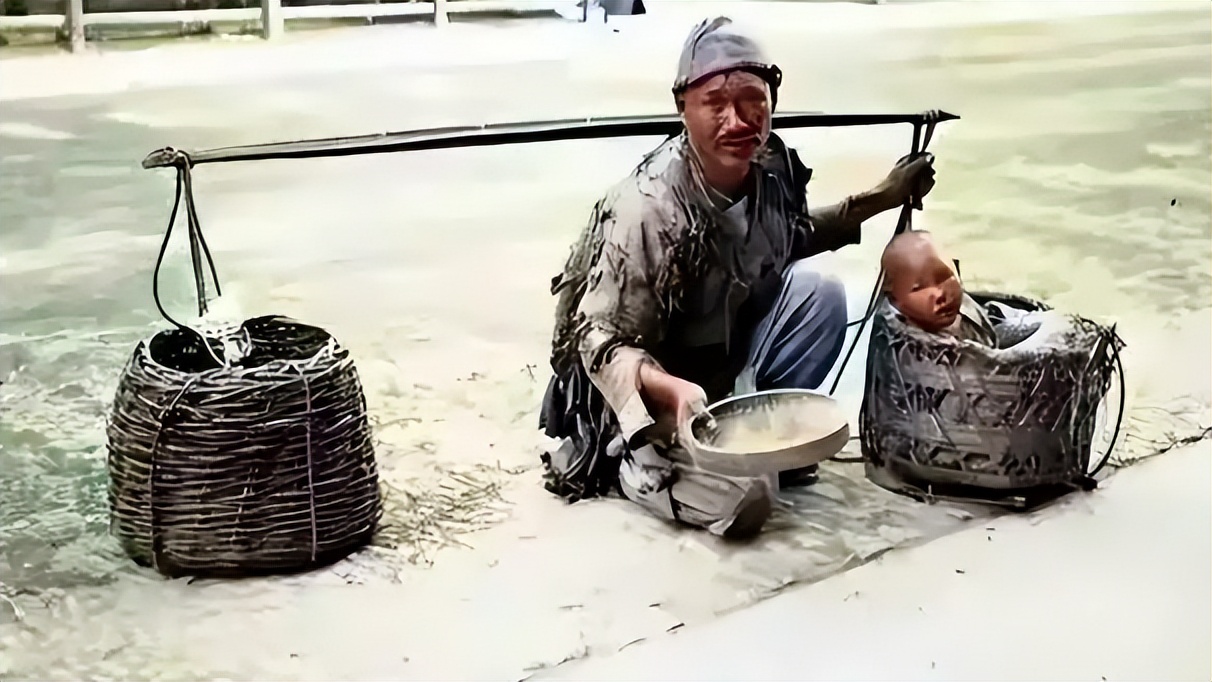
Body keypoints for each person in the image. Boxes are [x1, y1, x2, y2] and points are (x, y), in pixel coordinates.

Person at [538, 16, 939, 538]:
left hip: (718, 367)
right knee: (748, 499)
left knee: (821, 293)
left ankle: (762, 437)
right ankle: (631, 466)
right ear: (683, 106)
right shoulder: (650, 209)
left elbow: (788, 236)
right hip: (646, 393)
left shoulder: (769, 167)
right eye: (715, 105)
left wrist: (884, 196)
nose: (737, 121)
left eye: (753, 100)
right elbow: (599, 340)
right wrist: (671, 390)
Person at [879, 231, 997, 345]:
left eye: (945, 276)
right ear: (894, 298)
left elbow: (990, 331)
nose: (940, 293)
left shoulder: (958, 304)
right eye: (918, 287)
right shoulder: (915, 348)